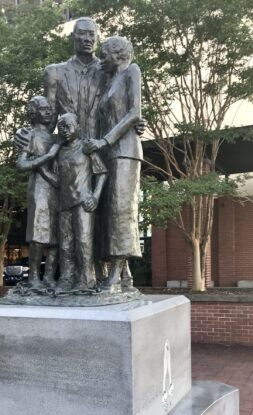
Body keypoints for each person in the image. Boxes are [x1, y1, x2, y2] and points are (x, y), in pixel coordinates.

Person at [84, 36, 143, 292]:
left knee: (121, 211)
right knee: (108, 214)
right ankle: (126, 275)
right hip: (109, 154)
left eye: (104, 54)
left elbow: (134, 112)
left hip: (125, 152)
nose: (101, 60)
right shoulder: (109, 81)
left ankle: (116, 276)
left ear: (117, 54)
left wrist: (104, 141)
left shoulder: (132, 70)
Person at [51, 113, 108, 292]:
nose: (64, 131)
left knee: (83, 241)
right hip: (64, 204)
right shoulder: (58, 152)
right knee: (66, 244)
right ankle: (67, 278)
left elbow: (102, 172)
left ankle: (87, 280)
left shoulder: (86, 147)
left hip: (84, 203)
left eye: (68, 126)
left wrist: (96, 197)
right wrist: (37, 167)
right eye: (61, 128)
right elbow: (57, 180)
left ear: (78, 126)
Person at [16, 96, 61, 289]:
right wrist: (45, 159)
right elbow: (21, 164)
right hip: (39, 188)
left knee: (56, 236)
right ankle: (34, 277)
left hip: (57, 188)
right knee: (38, 234)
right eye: (43, 109)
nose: (48, 112)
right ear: (34, 113)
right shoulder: (30, 135)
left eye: (49, 109)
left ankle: (49, 276)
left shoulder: (58, 137)